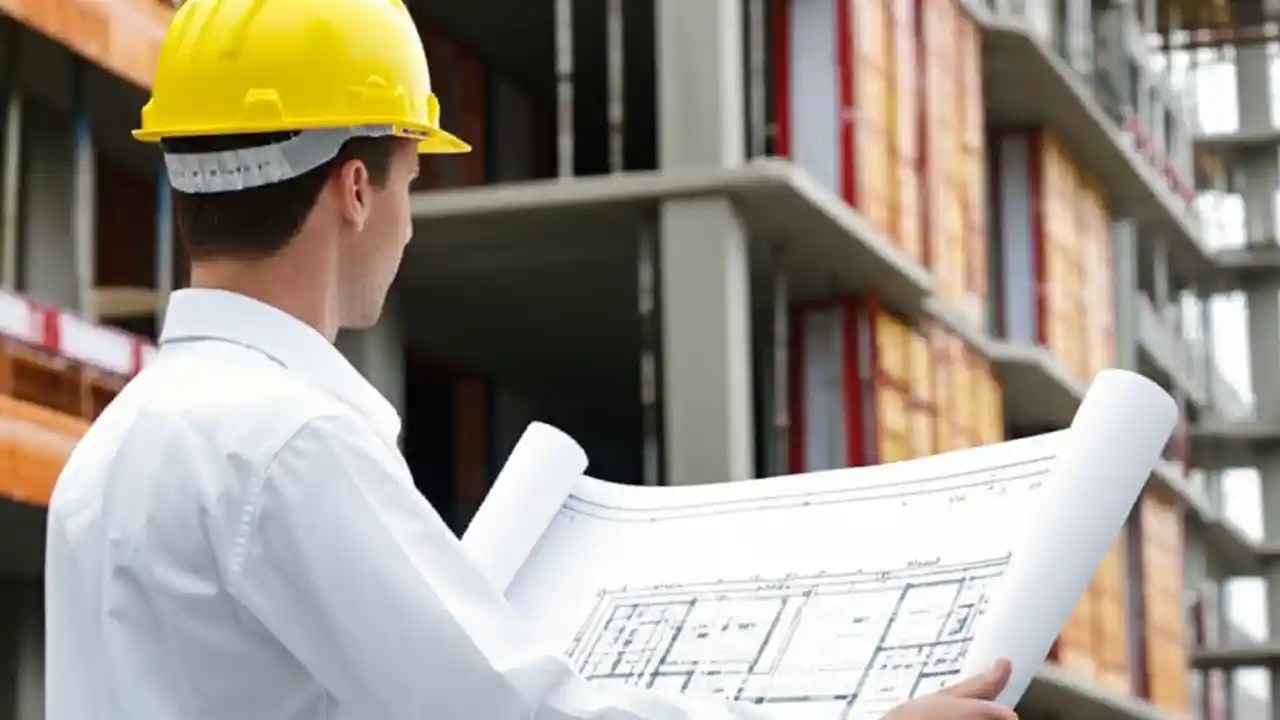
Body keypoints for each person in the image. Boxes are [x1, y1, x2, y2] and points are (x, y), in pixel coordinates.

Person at [43, 1, 1019, 718]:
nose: (406, 225)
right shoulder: (289, 444)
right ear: (355, 189)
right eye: (410, 183)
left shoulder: (118, 442)